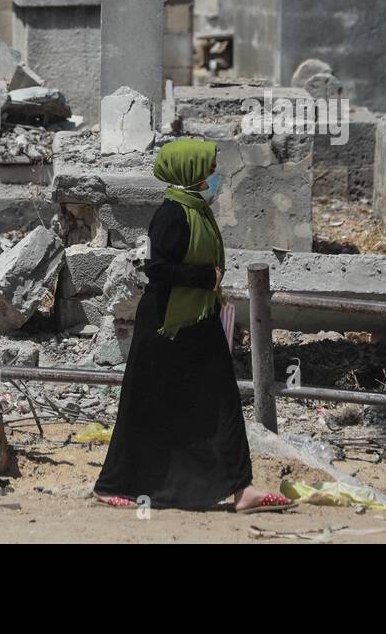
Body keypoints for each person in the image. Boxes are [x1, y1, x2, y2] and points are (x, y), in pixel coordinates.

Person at [93, 138, 295, 513]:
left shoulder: (196, 209)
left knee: (221, 399)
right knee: (145, 403)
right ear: (190, 171)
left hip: (198, 318)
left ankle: (240, 488)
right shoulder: (171, 214)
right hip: (167, 324)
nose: (213, 176)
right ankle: (111, 485)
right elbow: (154, 268)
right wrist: (206, 278)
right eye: (207, 169)